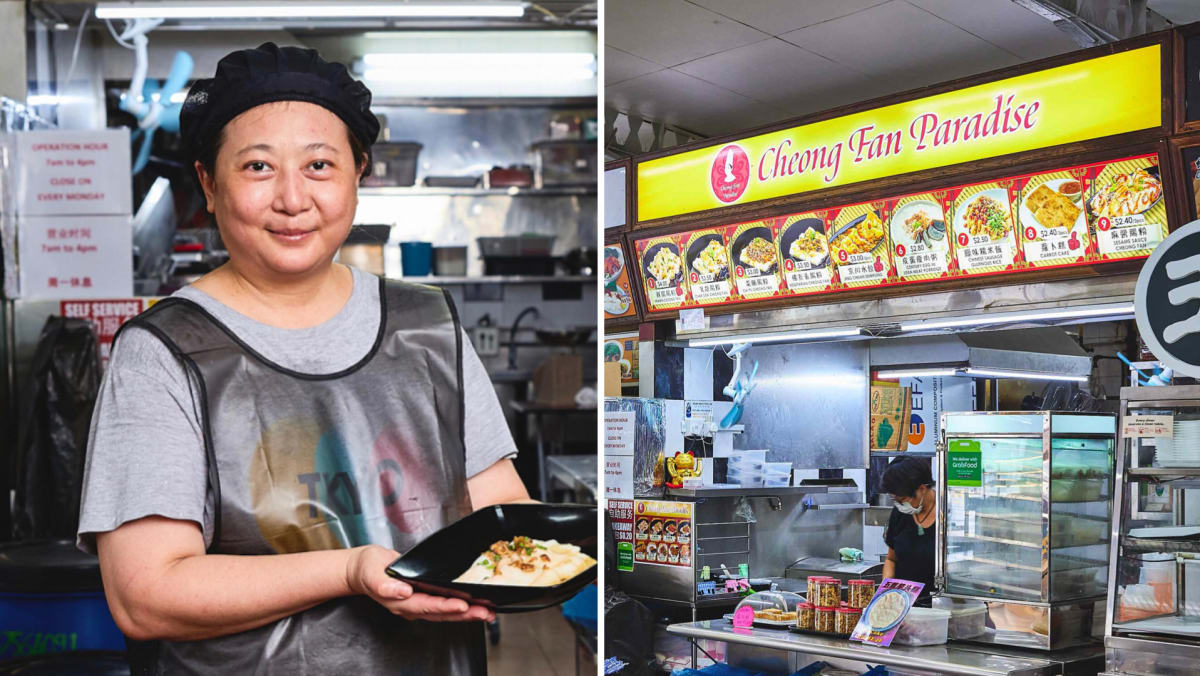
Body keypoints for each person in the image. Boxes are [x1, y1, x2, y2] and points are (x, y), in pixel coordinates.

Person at [76, 43, 530, 675]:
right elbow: (145, 595)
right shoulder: (162, 352)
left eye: (319, 164)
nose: (293, 199)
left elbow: (503, 516)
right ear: (209, 183)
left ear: (358, 174)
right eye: (258, 167)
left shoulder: (429, 325)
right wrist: (351, 569)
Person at [881, 456, 936, 603]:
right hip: (904, 605)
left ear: (922, 489)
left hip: (940, 610)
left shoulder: (947, 516)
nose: (899, 505)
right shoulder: (900, 514)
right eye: (895, 501)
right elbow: (891, 559)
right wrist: (886, 593)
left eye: (902, 500)